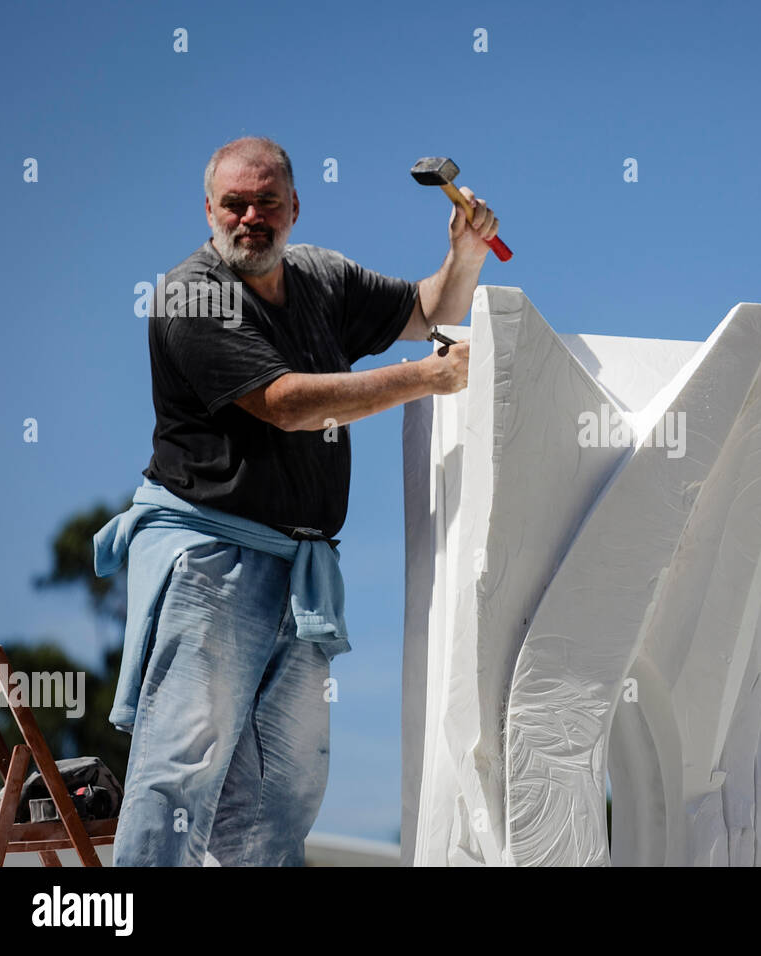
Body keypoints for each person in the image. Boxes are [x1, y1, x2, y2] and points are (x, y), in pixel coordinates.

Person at [93, 136, 496, 865]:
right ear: (209, 211)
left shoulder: (320, 277)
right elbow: (284, 403)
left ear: (294, 207)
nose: (252, 216)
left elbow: (426, 309)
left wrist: (465, 254)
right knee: (180, 777)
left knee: (285, 795)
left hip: (299, 569)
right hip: (210, 560)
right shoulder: (193, 292)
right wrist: (425, 379)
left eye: (267, 201)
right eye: (235, 204)